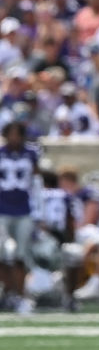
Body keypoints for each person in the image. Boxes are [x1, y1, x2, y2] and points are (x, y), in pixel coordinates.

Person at [0, 121, 40, 313]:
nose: (14, 138)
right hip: (2, 209)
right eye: (11, 133)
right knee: (2, 253)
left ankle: (22, 295)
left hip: (24, 210)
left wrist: (39, 212)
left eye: (18, 134)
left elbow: (37, 184)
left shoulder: (32, 154)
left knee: (21, 255)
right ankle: (9, 293)